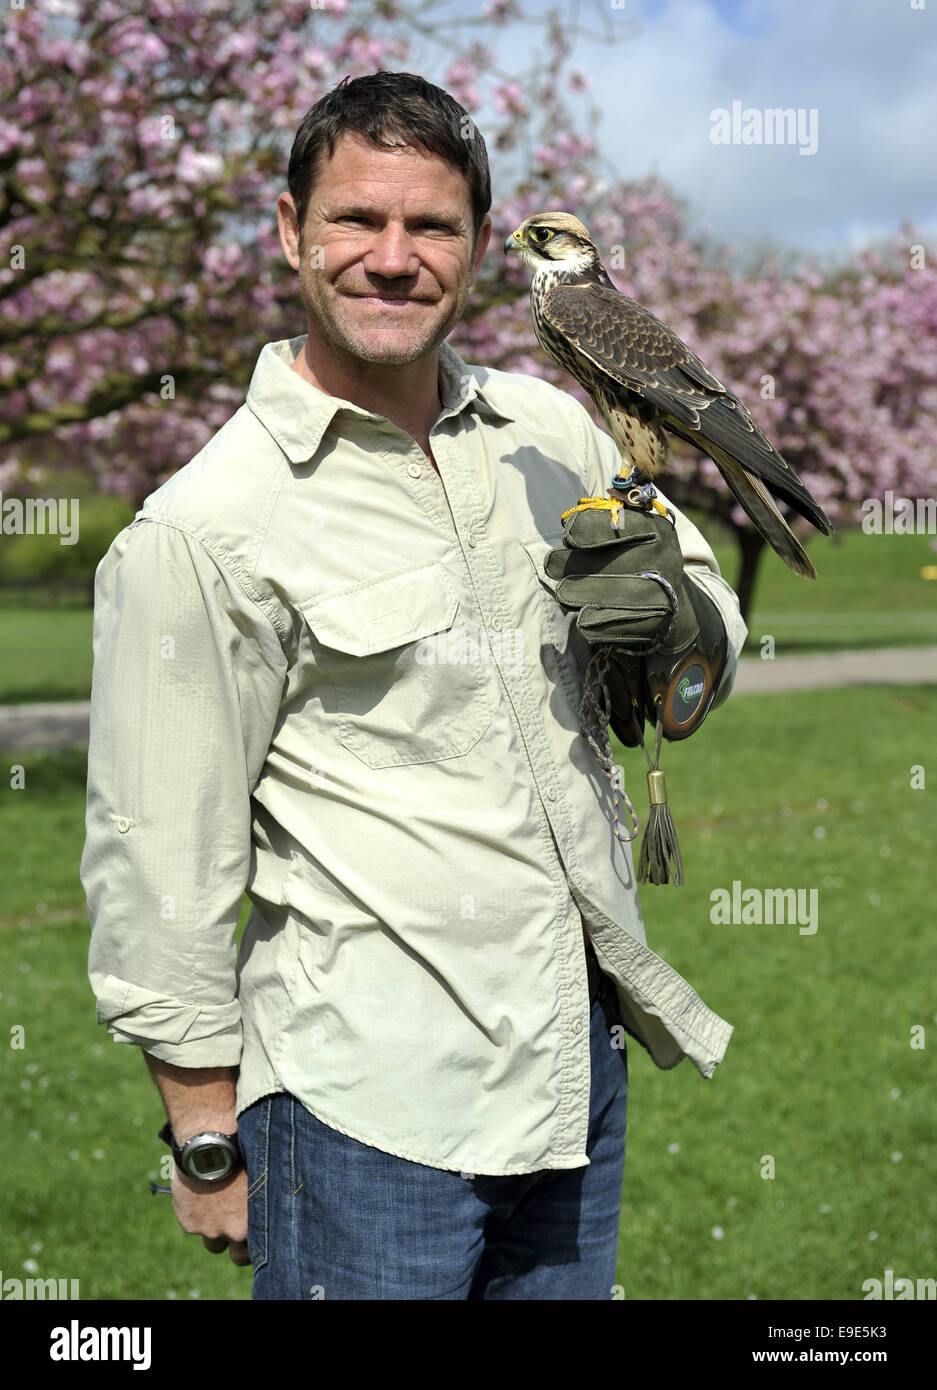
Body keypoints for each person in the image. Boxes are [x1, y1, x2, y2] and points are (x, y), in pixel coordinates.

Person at [81, 71, 747, 1301]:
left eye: (431, 227)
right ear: (289, 232)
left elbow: (706, 638)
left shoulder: (555, 429)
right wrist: (203, 1129)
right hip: (362, 1114)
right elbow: (157, 861)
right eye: (355, 221)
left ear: (483, 248)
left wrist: (682, 629)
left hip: (570, 1077)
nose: (393, 259)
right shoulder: (204, 527)